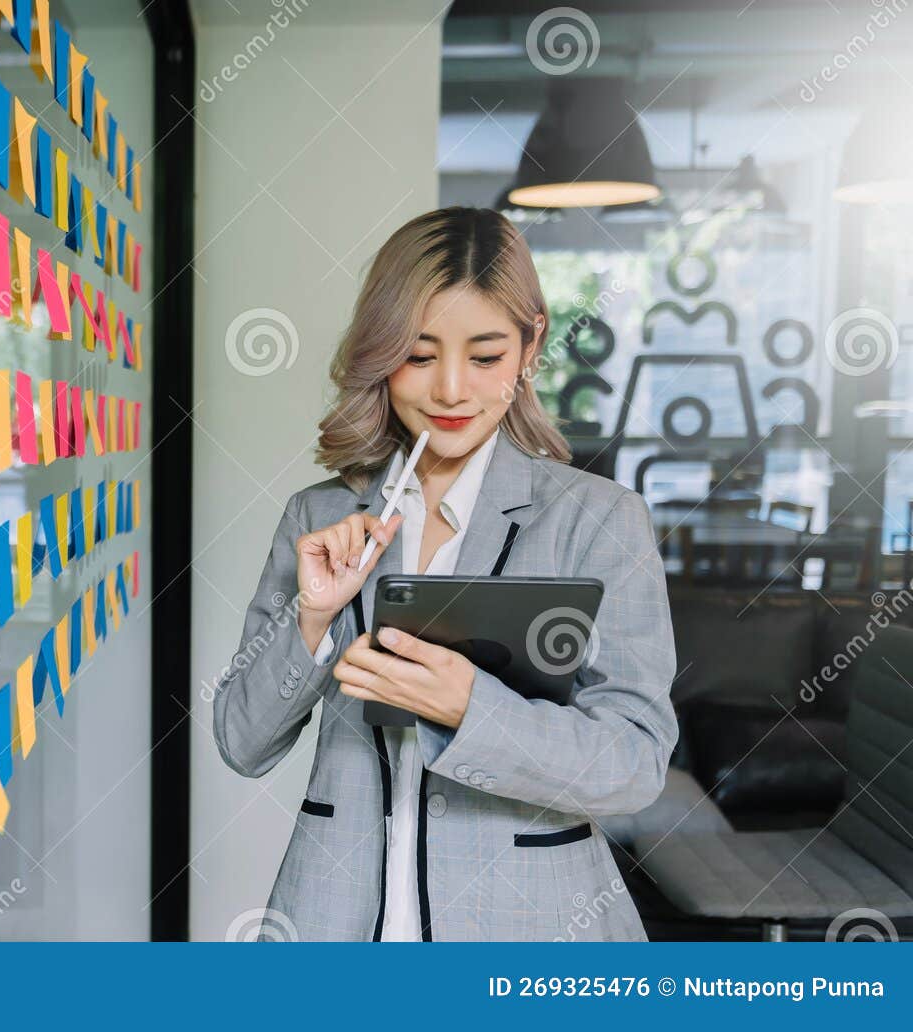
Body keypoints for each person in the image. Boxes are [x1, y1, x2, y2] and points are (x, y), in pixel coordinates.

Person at [213, 207, 677, 942]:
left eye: (485, 356)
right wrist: (309, 622)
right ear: (380, 352)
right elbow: (241, 741)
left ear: (532, 345)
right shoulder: (319, 515)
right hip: (334, 922)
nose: (452, 390)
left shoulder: (597, 520)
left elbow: (636, 763)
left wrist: (472, 709)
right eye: (419, 356)